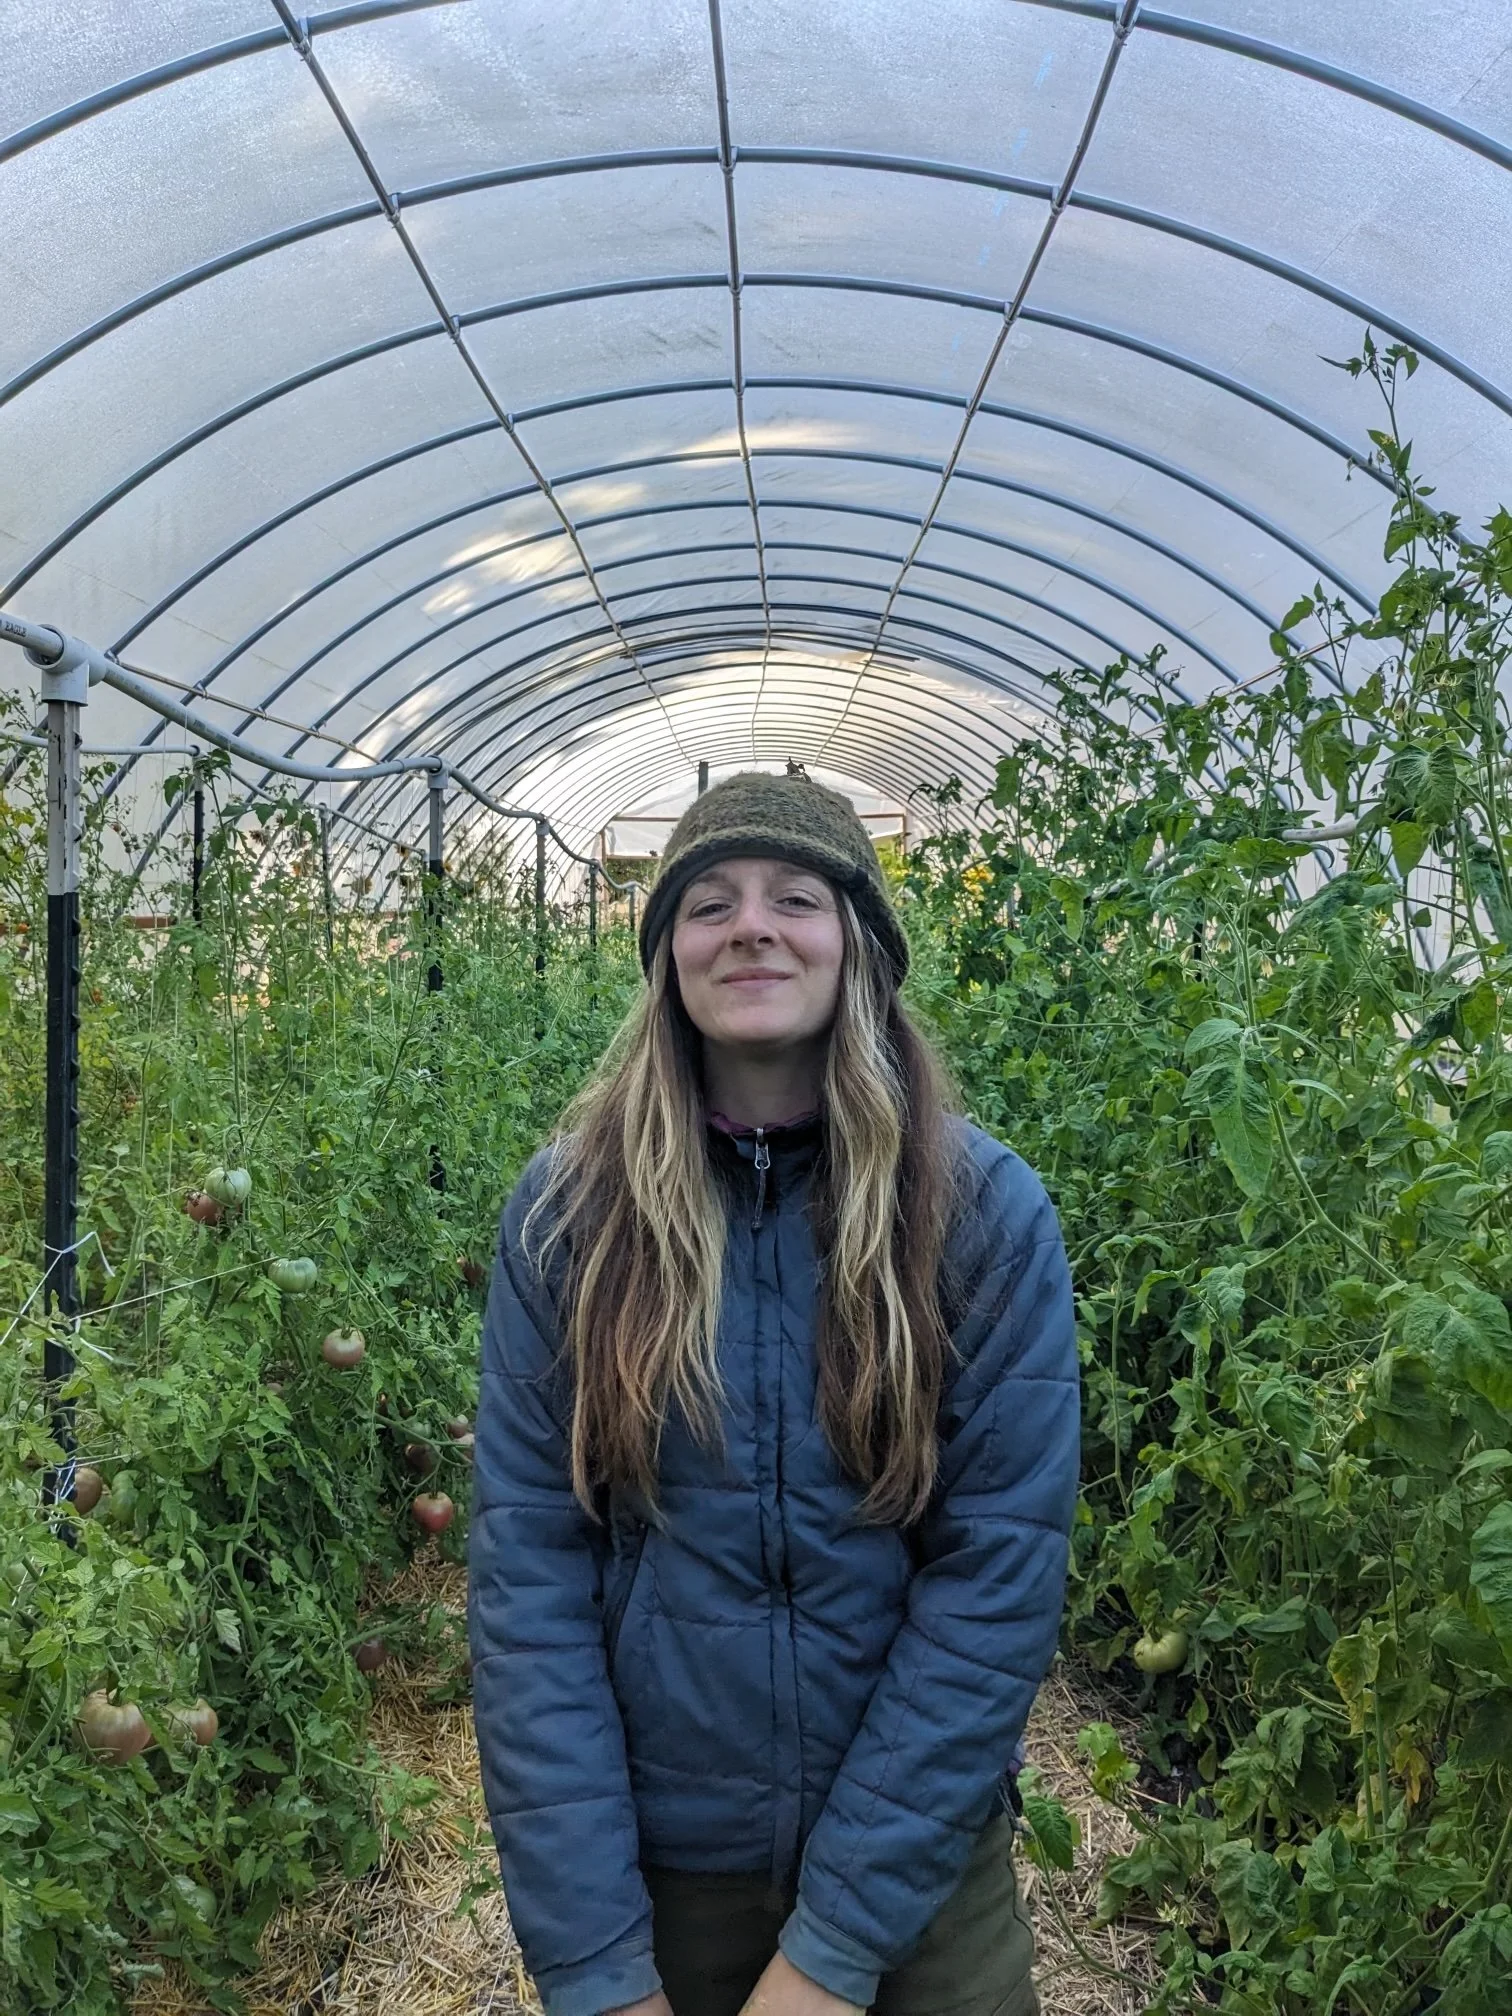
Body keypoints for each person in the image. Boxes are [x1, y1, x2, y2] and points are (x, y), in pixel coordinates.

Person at [468, 770, 1080, 2016]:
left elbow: (996, 1579)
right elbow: (531, 1587)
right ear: (666, 958)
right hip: (667, 1861)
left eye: (795, 896)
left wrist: (834, 1950)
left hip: (921, 1871)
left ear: (859, 946)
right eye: (707, 902)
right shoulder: (571, 1219)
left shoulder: (976, 1213)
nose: (750, 924)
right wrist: (594, 1968)